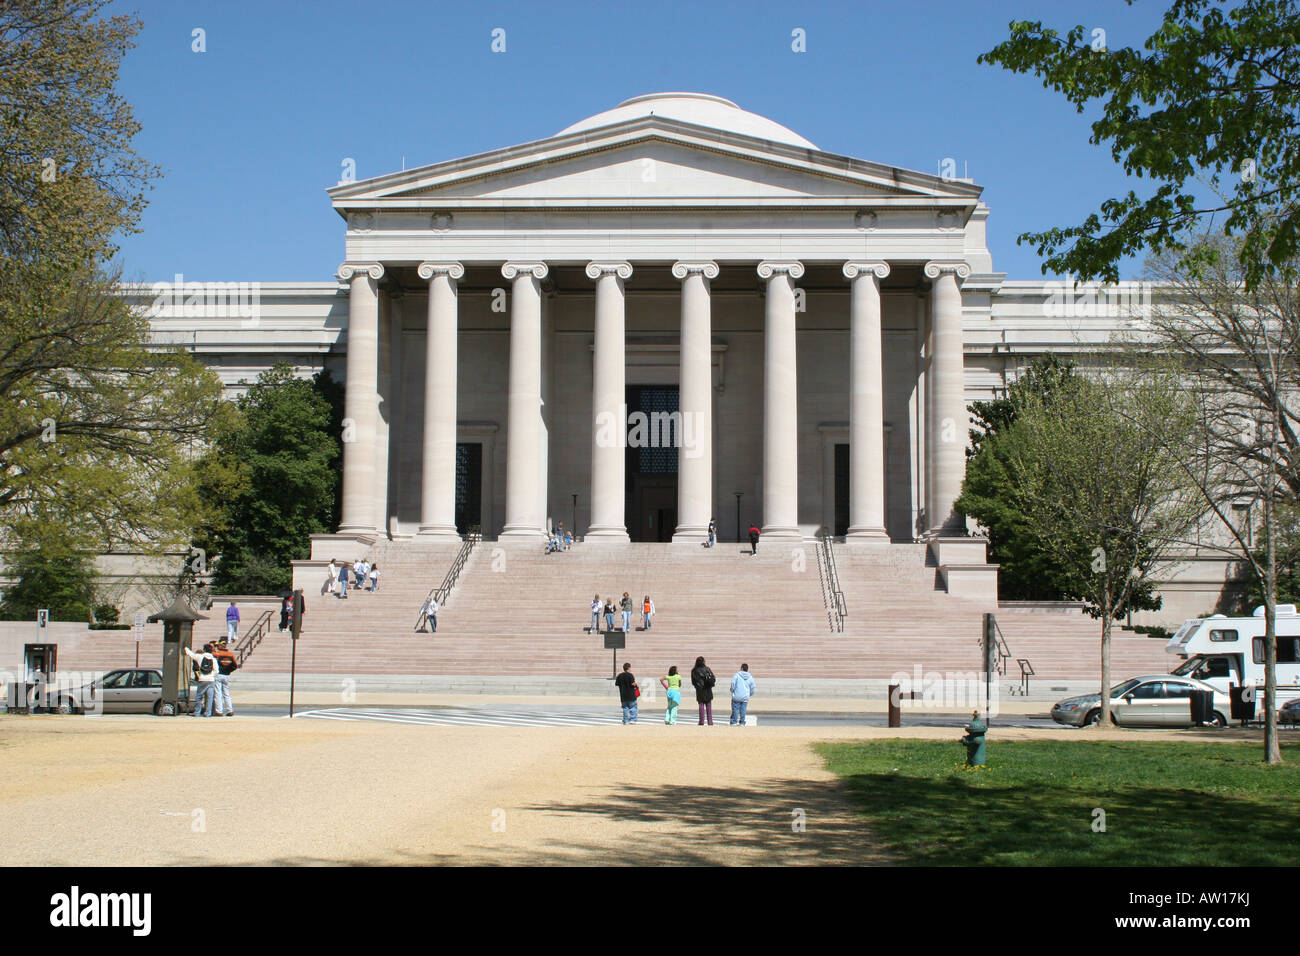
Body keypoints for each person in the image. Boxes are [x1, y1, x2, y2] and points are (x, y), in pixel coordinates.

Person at [184, 643, 219, 718]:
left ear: (204, 650)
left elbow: (191, 655)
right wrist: (211, 675)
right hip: (211, 680)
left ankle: (197, 712)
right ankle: (208, 713)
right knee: (210, 697)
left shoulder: (200, 657)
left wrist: (186, 648)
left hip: (202, 679)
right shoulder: (214, 659)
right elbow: (217, 671)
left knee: (199, 697)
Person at [213, 641, 239, 717]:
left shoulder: (217, 654)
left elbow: (211, 655)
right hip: (226, 675)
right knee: (226, 694)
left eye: (218, 646)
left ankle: (219, 711)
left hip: (219, 674)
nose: (217, 647)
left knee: (218, 694)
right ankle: (229, 710)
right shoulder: (230, 654)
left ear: (220, 646)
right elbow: (235, 665)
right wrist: (228, 671)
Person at [691, 656, 716, 726]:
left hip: (700, 690)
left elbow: (693, 682)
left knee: (701, 705)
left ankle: (701, 721)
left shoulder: (694, 670)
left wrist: (697, 686)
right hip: (707, 689)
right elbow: (713, 678)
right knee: (708, 705)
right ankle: (710, 721)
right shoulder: (707, 669)